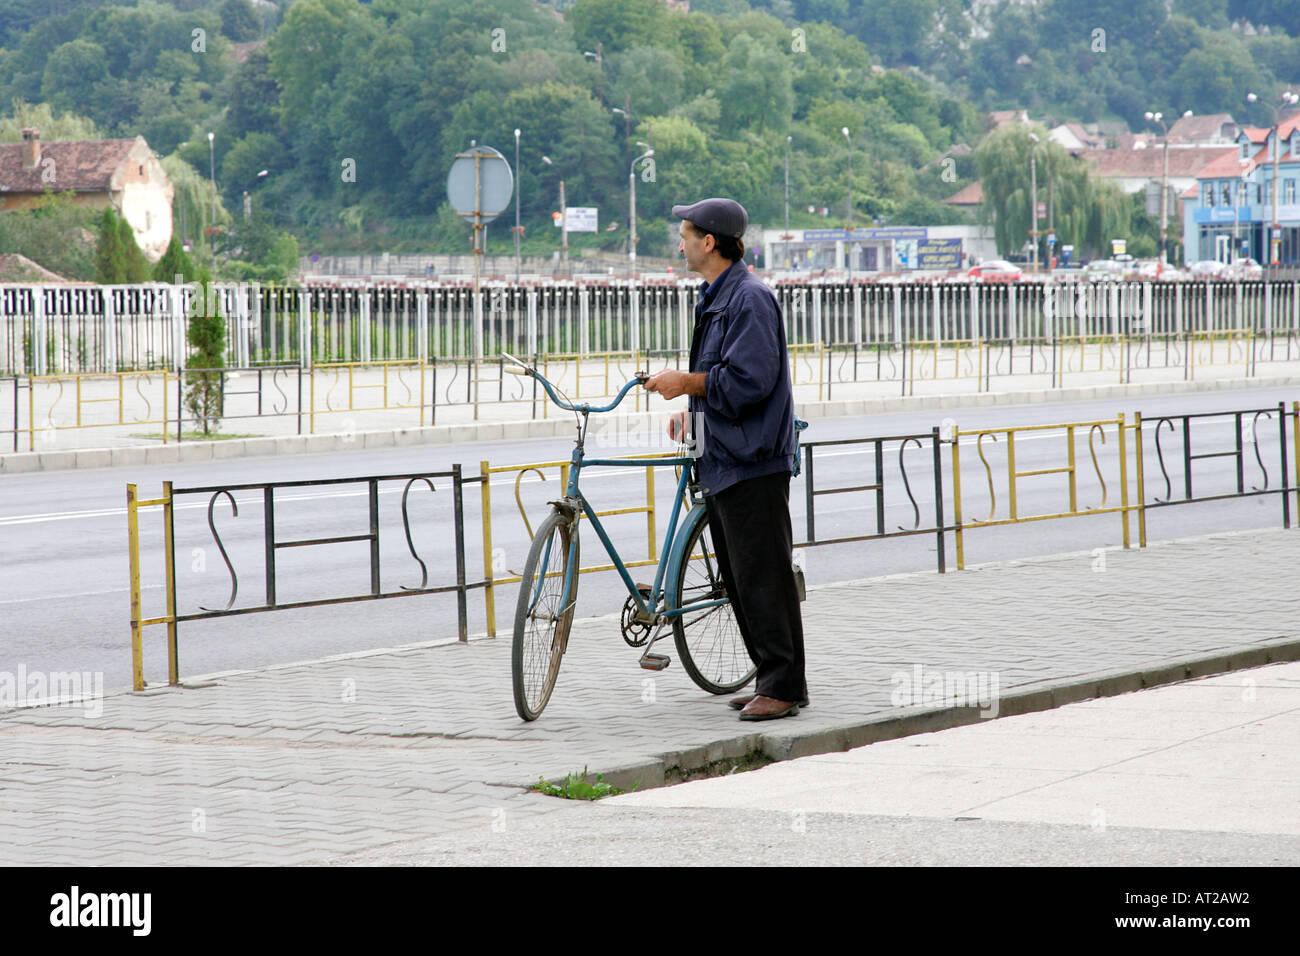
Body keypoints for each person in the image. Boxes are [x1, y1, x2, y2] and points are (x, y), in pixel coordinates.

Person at [644, 198, 808, 722]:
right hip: (725, 455)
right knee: (739, 580)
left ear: (709, 242)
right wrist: (694, 413)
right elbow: (724, 379)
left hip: (752, 459)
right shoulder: (719, 295)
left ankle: (783, 686)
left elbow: (749, 380)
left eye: (687, 234)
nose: (681, 243)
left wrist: (684, 384)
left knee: (763, 576)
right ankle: (772, 678)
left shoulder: (749, 298)